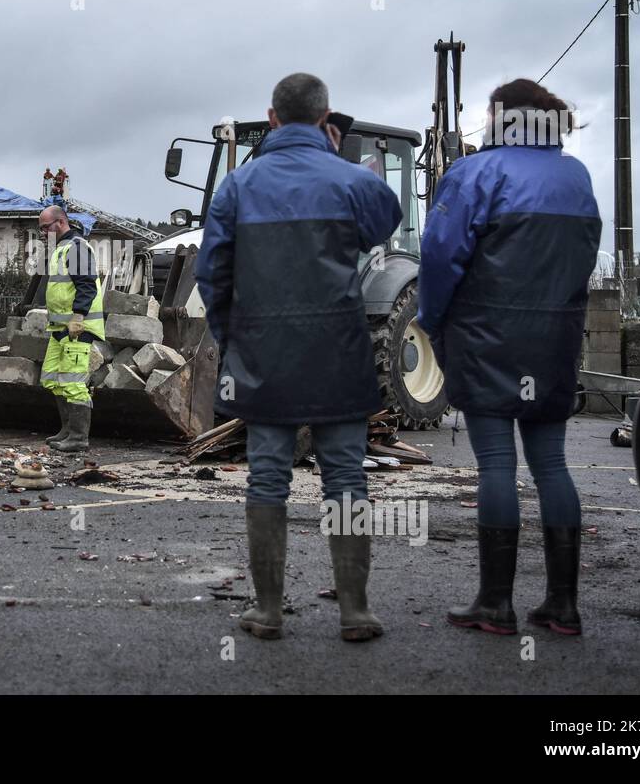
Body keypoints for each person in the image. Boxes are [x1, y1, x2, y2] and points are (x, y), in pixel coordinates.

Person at [196, 72, 401, 642]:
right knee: (345, 476)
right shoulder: (351, 179)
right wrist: (339, 160)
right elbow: (388, 220)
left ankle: (267, 611)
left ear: (273, 117)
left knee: (267, 475)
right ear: (325, 118)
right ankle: (355, 610)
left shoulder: (238, 185)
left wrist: (232, 337)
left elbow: (213, 272)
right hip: (337, 347)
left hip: (264, 350)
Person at [419, 79, 600, 636]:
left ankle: (496, 604)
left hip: (486, 335)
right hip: (555, 336)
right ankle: (563, 606)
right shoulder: (576, 177)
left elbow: (440, 254)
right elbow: (587, 253)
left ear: (502, 118)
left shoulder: (475, 174)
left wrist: (433, 319)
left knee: (497, 465)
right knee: (552, 466)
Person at [37, 204, 104, 452]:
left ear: (61, 222)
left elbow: (87, 285)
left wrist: (78, 316)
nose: (43, 233)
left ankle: (78, 437)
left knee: (74, 382)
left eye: (45, 227)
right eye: (41, 229)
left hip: (78, 327)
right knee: (53, 378)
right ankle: (67, 431)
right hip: (60, 328)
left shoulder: (75, 247)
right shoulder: (61, 249)